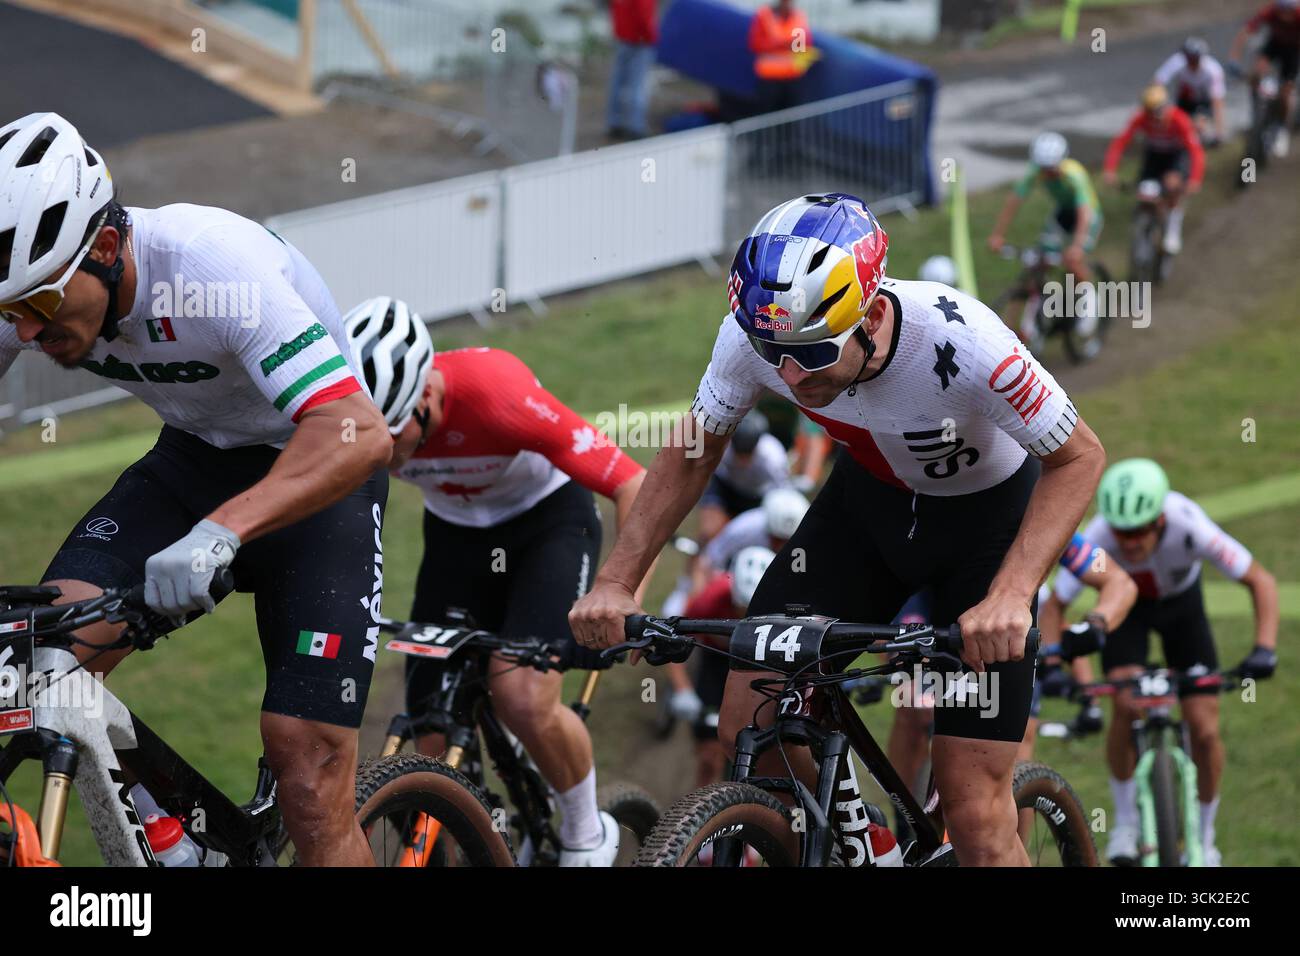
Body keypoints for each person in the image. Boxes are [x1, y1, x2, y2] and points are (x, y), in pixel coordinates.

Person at [572, 192, 1107, 866]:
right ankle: (868, 849)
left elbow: (1080, 456)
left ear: (873, 314)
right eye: (776, 353)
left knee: (973, 813)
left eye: (813, 353)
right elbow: (694, 450)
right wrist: (617, 581)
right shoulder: (754, 332)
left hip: (986, 532)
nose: (790, 375)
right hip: (865, 514)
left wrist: (1010, 593)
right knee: (752, 719)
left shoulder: (964, 340)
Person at [0, 113, 392, 865]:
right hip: (195, 462)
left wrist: (222, 534)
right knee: (45, 659)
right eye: (10, 313)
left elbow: (358, 430)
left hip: (318, 468)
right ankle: (179, 843)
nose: (23, 336)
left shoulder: (213, 268)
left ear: (107, 248)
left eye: (40, 308)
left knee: (305, 767)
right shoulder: (34, 293)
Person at [342, 297, 650, 866]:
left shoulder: (495, 392)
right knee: (428, 724)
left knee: (522, 695)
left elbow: (633, 484)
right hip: (459, 537)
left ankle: (586, 833)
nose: (377, 452)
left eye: (389, 434)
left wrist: (625, 596)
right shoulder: (357, 423)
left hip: (547, 522)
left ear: (427, 396)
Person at [1050, 458, 1280, 866]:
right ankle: (1124, 823)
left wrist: (1264, 648)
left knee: (1205, 728)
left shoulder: (1189, 524)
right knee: (1124, 703)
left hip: (1182, 612)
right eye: (1124, 532)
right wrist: (1061, 672)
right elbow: (1055, 607)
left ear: (1160, 519)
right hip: (1128, 613)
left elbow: (1260, 580)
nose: (1131, 542)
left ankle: (1205, 839)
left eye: (1139, 531)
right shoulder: (1101, 537)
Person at [988, 132, 1103, 342]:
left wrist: (1077, 245)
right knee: (1036, 263)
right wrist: (998, 234)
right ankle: (1021, 326)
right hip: (1062, 215)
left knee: (1072, 261)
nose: (1047, 174)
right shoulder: (1037, 171)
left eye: (1051, 169)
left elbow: (1084, 214)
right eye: (1043, 168)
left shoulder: (1074, 175)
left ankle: (1090, 302)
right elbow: (1014, 201)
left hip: (1085, 217)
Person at [679, 546, 776, 788]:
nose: (742, 617)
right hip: (716, 662)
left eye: (750, 612)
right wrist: (683, 690)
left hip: (758, 667)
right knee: (709, 756)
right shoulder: (709, 601)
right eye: (738, 608)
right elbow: (674, 647)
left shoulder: (783, 611)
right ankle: (698, 812)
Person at [1103, 85, 1205, 256]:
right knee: (1144, 192)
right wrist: (1110, 170)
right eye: (1151, 111)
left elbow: (1195, 151)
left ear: (1166, 106)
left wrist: (1195, 179)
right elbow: (1120, 142)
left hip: (1176, 156)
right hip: (1154, 157)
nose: (1155, 117)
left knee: (1172, 185)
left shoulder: (1180, 120)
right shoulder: (1141, 119)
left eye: (1158, 110)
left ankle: (1173, 229)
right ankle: (1144, 228)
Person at [695, 408, 789, 543]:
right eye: (739, 453)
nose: (742, 461)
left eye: (748, 454)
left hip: (757, 497)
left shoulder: (773, 457)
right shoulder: (722, 445)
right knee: (710, 532)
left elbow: (781, 492)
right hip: (725, 487)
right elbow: (705, 473)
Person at [1229, 0, 1300, 153]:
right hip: (1275, 45)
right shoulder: (1271, 12)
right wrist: (1234, 58)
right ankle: (1256, 104)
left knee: (1286, 93)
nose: (1285, 16)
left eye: (1289, 12)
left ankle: (1281, 127)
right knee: (1257, 71)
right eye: (1282, 11)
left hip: (1294, 51)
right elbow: (1246, 31)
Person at [1155, 37, 1228, 145]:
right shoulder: (1178, 61)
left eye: (1194, 59)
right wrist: (1158, 106)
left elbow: (1217, 101)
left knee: (1199, 126)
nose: (1190, 62)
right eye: (1188, 58)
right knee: (1176, 127)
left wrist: (1219, 131)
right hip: (1184, 100)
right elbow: (1158, 82)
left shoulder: (1213, 71)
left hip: (1204, 101)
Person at [748, 1, 815, 115]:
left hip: (792, 77)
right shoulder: (764, 16)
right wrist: (779, 44)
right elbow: (755, 44)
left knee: (791, 116)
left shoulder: (798, 17)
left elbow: (805, 45)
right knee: (768, 116)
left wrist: (791, 45)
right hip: (769, 78)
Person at [607, 0, 658, 140]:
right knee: (638, 85)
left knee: (617, 82)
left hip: (622, 36)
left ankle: (614, 122)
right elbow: (644, 14)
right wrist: (651, 37)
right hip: (639, 40)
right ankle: (636, 126)